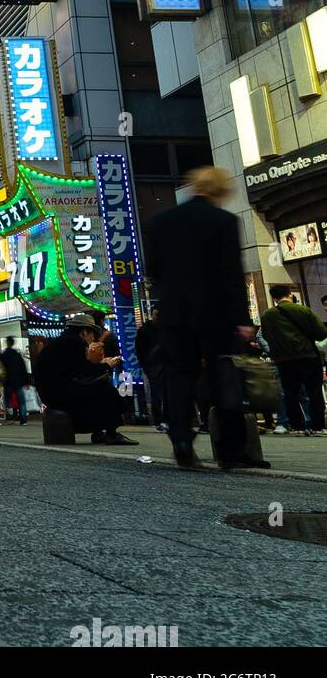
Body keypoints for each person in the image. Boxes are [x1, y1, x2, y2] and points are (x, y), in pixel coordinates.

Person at [143, 167, 260, 470]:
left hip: (175, 315)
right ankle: (230, 451)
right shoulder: (223, 221)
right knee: (223, 380)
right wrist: (242, 319)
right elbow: (232, 273)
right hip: (215, 314)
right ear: (219, 191)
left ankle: (182, 442)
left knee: (179, 378)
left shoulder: (161, 221)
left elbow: (153, 269)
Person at [32, 314, 137, 445]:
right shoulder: (73, 343)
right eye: (92, 334)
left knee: (95, 390)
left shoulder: (62, 341)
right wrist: (106, 365)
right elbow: (83, 369)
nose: (92, 338)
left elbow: (75, 368)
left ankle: (98, 432)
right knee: (106, 390)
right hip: (58, 392)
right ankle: (111, 433)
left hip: (51, 391)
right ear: (84, 332)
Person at [258, 286, 326, 436]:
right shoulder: (303, 310)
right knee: (314, 392)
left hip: (284, 360)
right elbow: (321, 333)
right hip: (308, 356)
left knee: (290, 393)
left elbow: (267, 336)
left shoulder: (268, 315)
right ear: (290, 295)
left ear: (274, 298)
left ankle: (298, 426)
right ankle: (317, 426)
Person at [134, 307, 167, 432]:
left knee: (163, 392)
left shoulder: (164, 329)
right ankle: (159, 420)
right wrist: (145, 365)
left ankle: (164, 419)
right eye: (156, 314)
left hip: (162, 364)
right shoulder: (145, 331)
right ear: (151, 315)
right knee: (156, 393)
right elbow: (139, 350)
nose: (158, 317)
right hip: (153, 365)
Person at [0, 336, 29, 424]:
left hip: (7, 381)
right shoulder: (17, 355)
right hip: (18, 381)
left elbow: (1, 369)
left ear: (7, 343)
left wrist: (1, 381)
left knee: (6, 400)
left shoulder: (3, 355)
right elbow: (23, 368)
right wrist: (26, 381)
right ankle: (23, 420)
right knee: (21, 401)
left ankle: (7, 417)